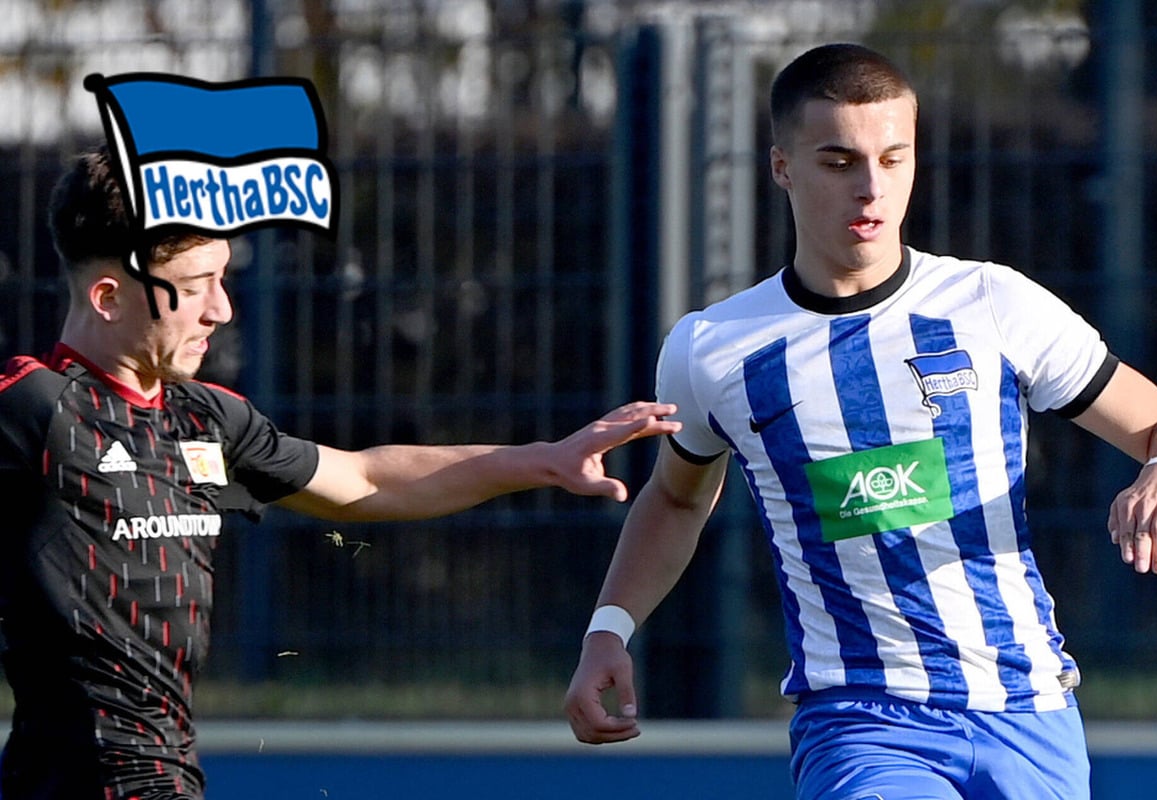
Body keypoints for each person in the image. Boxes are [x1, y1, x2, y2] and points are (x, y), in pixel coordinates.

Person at [563, 42, 1157, 800]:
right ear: (782, 168)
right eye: (838, 162)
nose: (871, 187)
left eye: (893, 159)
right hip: (861, 720)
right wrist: (609, 627)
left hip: (1028, 708)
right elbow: (675, 498)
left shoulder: (994, 305)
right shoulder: (716, 349)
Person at [0, 143, 681, 800]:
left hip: (169, 776)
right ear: (109, 298)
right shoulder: (32, 411)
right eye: (193, 287)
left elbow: (364, 482)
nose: (221, 309)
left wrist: (546, 459)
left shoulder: (206, 418)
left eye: (223, 279)